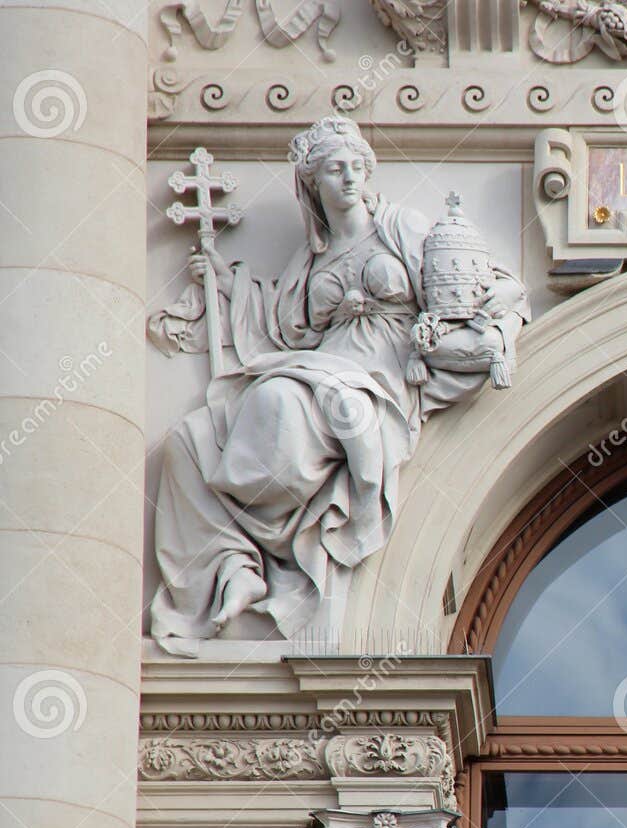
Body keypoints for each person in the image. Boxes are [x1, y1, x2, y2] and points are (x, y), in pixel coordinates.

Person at [149, 116, 529, 655]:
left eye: (357, 167)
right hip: (320, 364)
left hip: (382, 374)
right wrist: (228, 283)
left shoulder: (401, 227)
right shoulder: (311, 258)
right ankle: (234, 565)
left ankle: (365, 501)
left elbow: (490, 285)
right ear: (312, 182)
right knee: (188, 440)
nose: (350, 178)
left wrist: (498, 333)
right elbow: (279, 333)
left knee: (289, 398)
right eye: (335, 169)